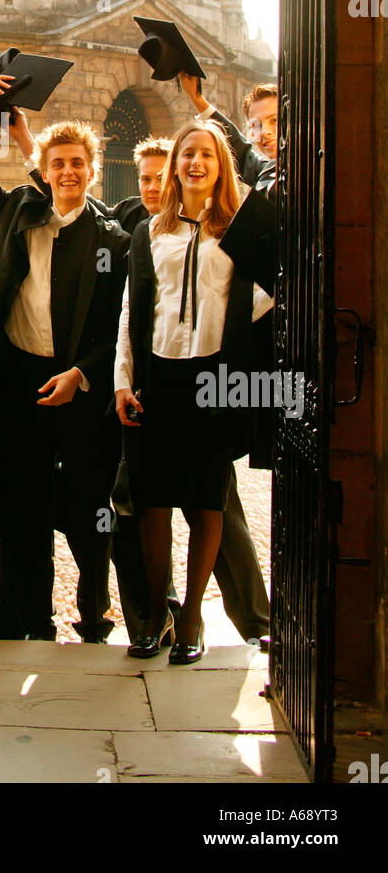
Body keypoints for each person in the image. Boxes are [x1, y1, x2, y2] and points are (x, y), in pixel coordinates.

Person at [0, 75, 141, 642]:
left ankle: (95, 609)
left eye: (77, 163)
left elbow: (118, 327)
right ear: (45, 169)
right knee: (21, 509)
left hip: (80, 384)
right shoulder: (14, 212)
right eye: (57, 164)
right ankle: (26, 619)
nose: (67, 173)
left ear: (92, 169)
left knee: (86, 508)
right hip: (19, 381)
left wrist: (81, 374)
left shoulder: (111, 240)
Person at [114, 119, 274, 664]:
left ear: (220, 164)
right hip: (158, 375)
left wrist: (228, 323)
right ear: (176, 165)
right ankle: (156, 614)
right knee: (153, 501)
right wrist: (122, 379)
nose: (195, 163)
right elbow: (132, 309)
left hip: (213, 377)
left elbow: (276, 289)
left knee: (207, 502)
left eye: (206, 154)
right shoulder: (150, 231)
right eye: (187, 154)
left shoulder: (240, 225)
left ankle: (192, 620)